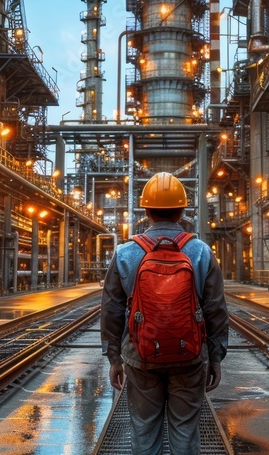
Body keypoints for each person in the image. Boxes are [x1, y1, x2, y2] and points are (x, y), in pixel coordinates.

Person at [101, 172, 228, 454]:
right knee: (185, 430)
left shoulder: (125, 253)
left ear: (146, 211)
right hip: (190, 356)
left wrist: (113, 357)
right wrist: (216, 357)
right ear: (182, 211)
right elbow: (216, 309)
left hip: (140, 355)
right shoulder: (201, 251)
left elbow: (111, 310)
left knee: (144, 430)